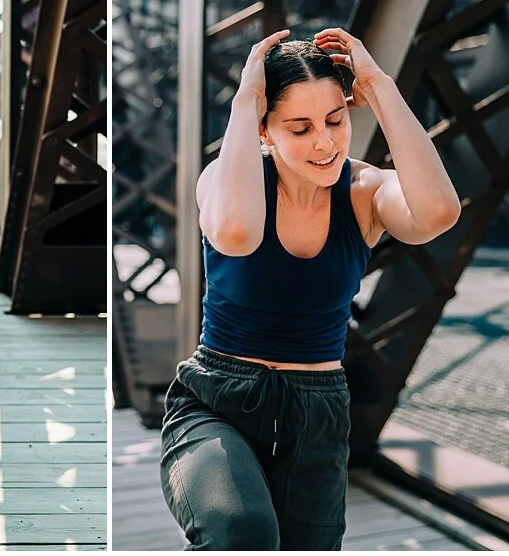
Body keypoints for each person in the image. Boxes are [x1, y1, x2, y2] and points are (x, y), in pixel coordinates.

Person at [158, 28, 461, 550]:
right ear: (264, 129)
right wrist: (245, 102)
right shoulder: (227, 178)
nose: (324, 142)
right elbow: (235, 233)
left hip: (317, 414)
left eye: (335, 120)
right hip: (218, 400)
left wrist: (379, 86)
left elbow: (437, 212)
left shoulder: (364, 192)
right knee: (241, 531)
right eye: (300, 128)